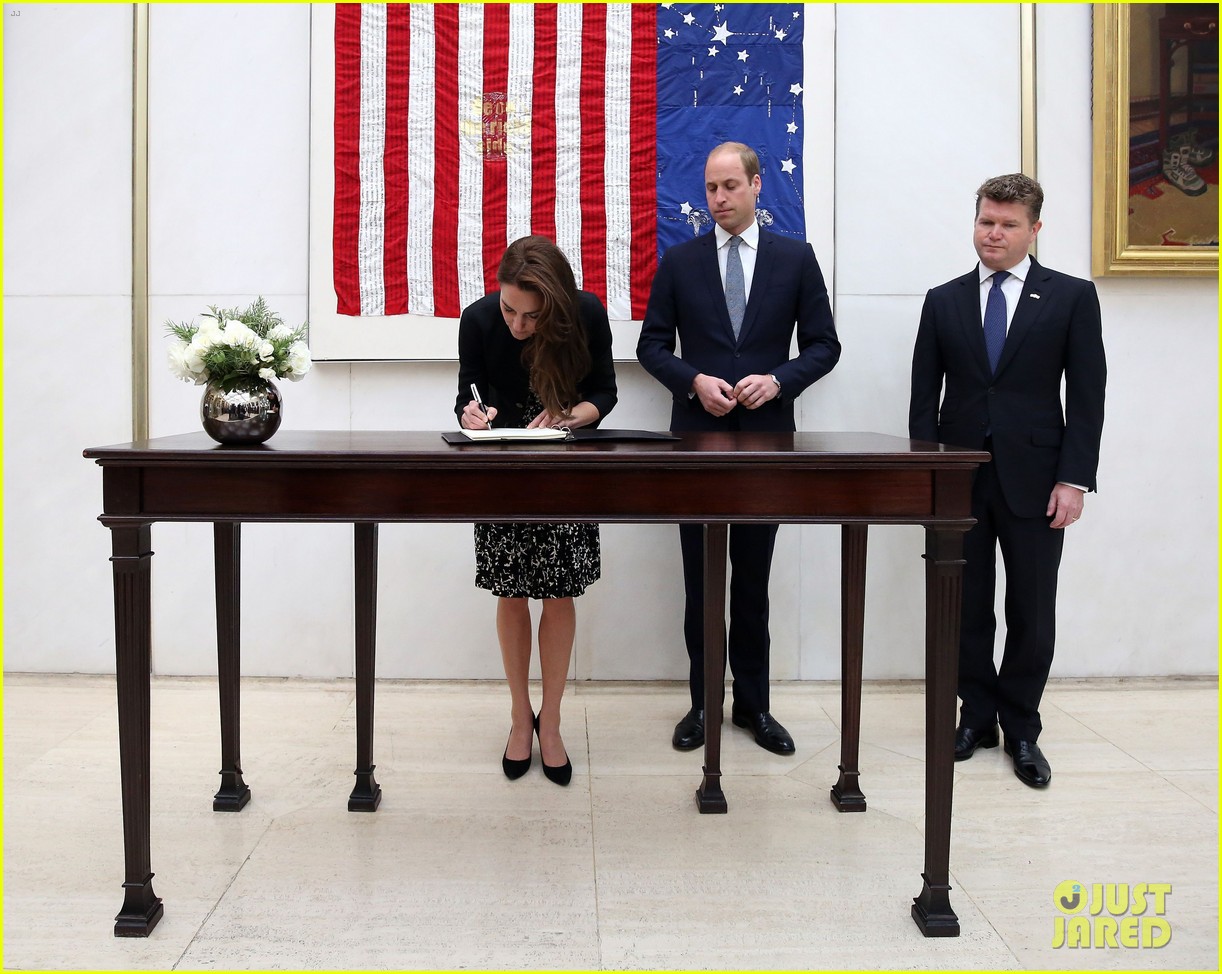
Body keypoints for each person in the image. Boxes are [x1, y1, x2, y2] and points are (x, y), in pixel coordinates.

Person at [637, 141, 841, 755]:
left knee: (752, 583)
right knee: (700, 582)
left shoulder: (796, 259)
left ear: (757, 186)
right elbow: (652, 346)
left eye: (730, 186)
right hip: (695, 445)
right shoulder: (680, 261)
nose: (719, 198)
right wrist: (692, 381)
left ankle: (754, 706)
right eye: (710, 189)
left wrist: (778, 379)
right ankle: (703, 705)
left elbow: (824, 346)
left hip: (765, 445)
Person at [909, 173, 1106, 788]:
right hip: (962, 479)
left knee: (1030, 607)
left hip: (1038, 479)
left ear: (1034, 230)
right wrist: (928, 475)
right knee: (964, 606)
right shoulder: (943, 300)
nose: (993, 233)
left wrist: (1073, 479)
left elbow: (1089, 395)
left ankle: (1022, 727)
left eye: (1007, 224)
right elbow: (923, 400)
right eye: (985, 221)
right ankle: (977, 715)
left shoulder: (1071, 297)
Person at [455, 235, 618, 785]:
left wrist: (570, 417)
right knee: (510, 590)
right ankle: (518, 717)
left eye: (531, 315)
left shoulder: (586, 313)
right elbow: (464, 398)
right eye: (509, 309)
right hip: (501, 473)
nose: (518, 325)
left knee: (559, 591)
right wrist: (472, 418)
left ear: (555, 303)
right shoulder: (477, 321)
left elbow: (606, 393)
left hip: (564, 469)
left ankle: (551, 721)